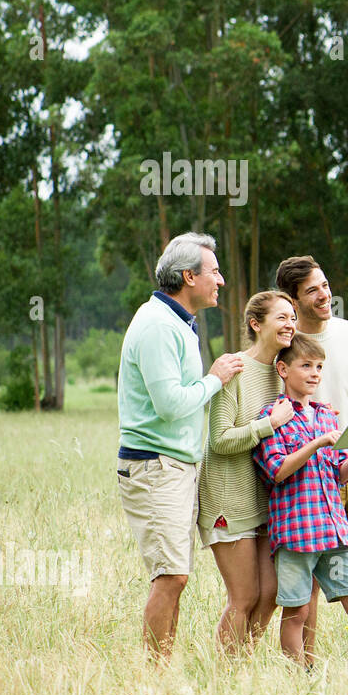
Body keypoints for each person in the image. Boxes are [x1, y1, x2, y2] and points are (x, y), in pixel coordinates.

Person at [116, 232, 244, 662]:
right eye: (214, 272)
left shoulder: (178, 323)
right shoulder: (156, 325)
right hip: (155, 467)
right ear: (189, 276)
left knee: (176, 576)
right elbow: (170, 405)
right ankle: (154, 676)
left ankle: (161, 670)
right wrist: (217, 378)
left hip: (176, 468)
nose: (221, 281)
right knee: (170, 577)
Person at [275, 256, 348, 664]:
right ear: (292, 299)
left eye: (325, 285)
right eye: (312, 290)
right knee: (305, 582)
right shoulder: (284, 345)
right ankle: (307, 662)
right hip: (305, 482)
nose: (325, 295)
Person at [253, 333, 348, 668]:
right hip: (297, 534)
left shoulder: (327, 415)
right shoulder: (272, 417)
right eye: (306, 365)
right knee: (297, 611)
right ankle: (301, 678)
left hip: (332, 531)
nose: (315, 373)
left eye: (319, 367)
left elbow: (339, 474)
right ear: (282, 369)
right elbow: (277, 471)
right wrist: (317, 443)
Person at [198, 291, 298, 654]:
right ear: (256, 324)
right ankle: (224, 673)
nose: (290, 325)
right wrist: (268, 424)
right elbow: (220, 441)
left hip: (265, 502)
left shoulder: (280, 373)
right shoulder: (234, 369)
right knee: (243, 596)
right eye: (282, 318)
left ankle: (243, 664)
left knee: (270, 593)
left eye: (293, 318)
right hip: (228, 500)